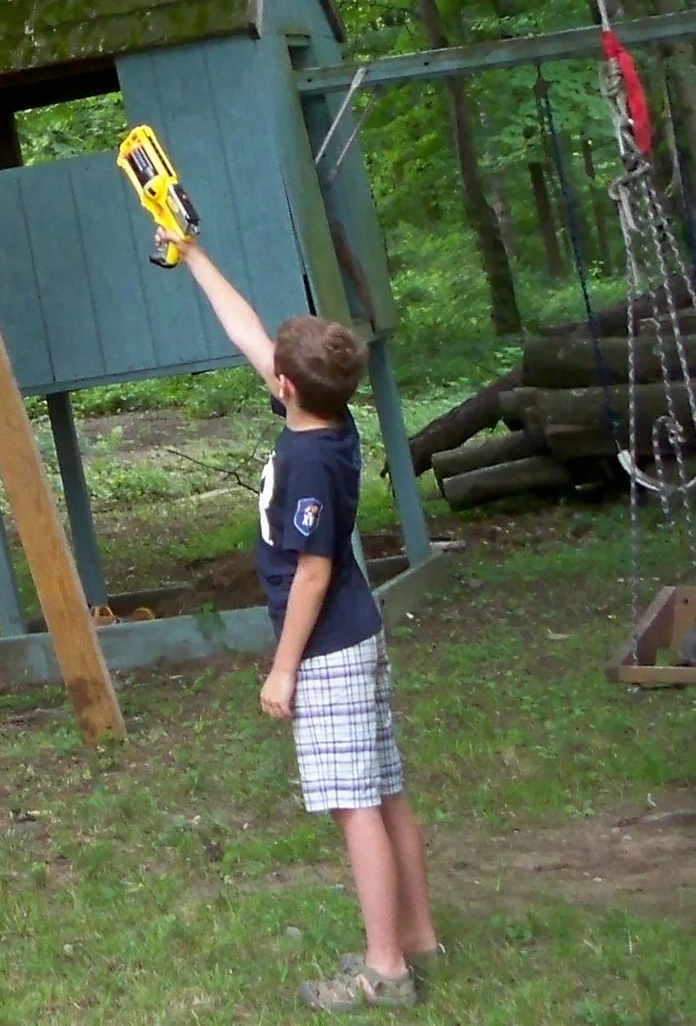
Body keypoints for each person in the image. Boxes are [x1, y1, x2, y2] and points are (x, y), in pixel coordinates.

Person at [173, 233, 441, 1010]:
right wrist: (191, 252)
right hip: (357, 631)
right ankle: (418, 932)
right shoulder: (322, 416)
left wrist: (284, 665)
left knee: (355, 801)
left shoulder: (308, 464)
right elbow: (250, 332)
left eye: (273, 371)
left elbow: (315, 569)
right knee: (384, 788)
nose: (266, 370)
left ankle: (386, 967)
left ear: (284, 386)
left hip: (327, 645)